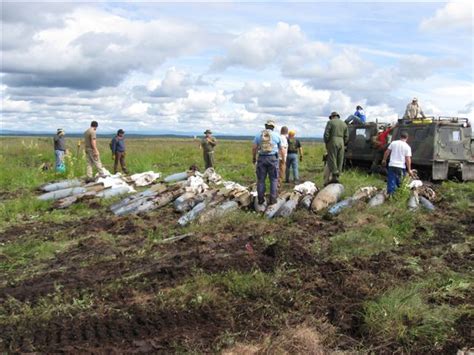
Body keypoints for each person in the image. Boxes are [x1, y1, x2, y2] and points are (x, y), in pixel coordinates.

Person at [252, 120, 283, 205]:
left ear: (265, 126)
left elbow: (254, 148)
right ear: (273, 127)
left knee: (261, 180)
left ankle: (261, 200)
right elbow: (282, 149)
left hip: (261, 158)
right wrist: (283, 159)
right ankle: (273, 200)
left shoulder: (259, 135)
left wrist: (254, 158)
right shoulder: (277, 135)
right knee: (273, 179)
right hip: (273, 158)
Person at [323, 112, 349, 184]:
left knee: (332, 158)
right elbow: (347, 136)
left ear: (332, 117)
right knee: (340, 159)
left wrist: (326, 142)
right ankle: (338, 175)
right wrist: (343, 142)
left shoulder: (330, 122)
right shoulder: (344, 124)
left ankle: (334, 174)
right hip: (341, 142)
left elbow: (326, 134)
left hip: (333, 141)